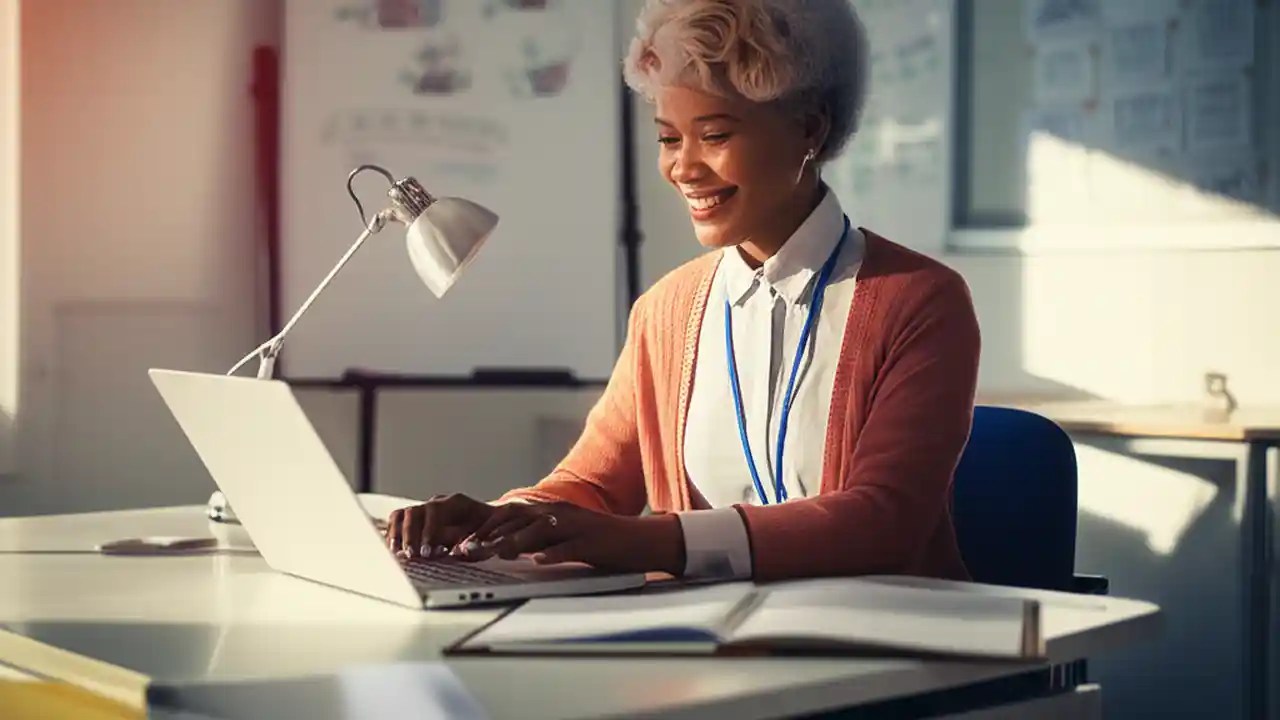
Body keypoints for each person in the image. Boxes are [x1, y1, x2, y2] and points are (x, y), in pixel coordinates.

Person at [386, 0, 980, 583]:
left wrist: (655, 540)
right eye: (670, 139)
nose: (683, 169)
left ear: (809, 130)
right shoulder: (665, 312)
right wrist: (496, 520)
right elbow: (590, 488)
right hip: (705, 653)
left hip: (879, 653)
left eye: (715, 135)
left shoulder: (920, 302)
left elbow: (883, 521)